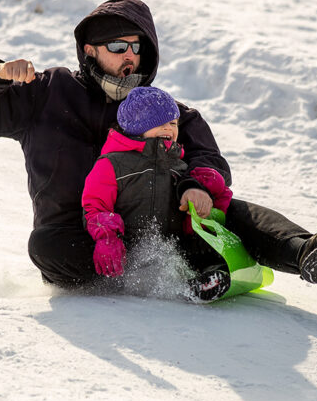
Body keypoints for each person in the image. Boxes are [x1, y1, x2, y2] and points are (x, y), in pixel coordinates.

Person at [0, 0, 317, 288]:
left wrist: (195, 186)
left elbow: (209, 157)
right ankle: (160, 274)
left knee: (233, 210)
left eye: (137, 48)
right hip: (78, 237)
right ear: (89, 50)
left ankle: (307, 255)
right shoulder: (47, 92)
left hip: (156, 232)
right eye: (117, 45)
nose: (129, 55)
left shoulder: (161, 109)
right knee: (43, 246)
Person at [81, 85, 234, 300]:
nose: (168, 129)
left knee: (197, 253)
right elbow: (95, 206)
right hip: (130, 247)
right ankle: (180, 289)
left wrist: (211, 188)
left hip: (175, 244)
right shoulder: (111, 164)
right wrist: (107, 238)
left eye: (173, 123)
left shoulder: (177, 165)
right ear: (136, 127)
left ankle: (205, 278)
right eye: (159, 124)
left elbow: (208, 200)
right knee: (150, 267)